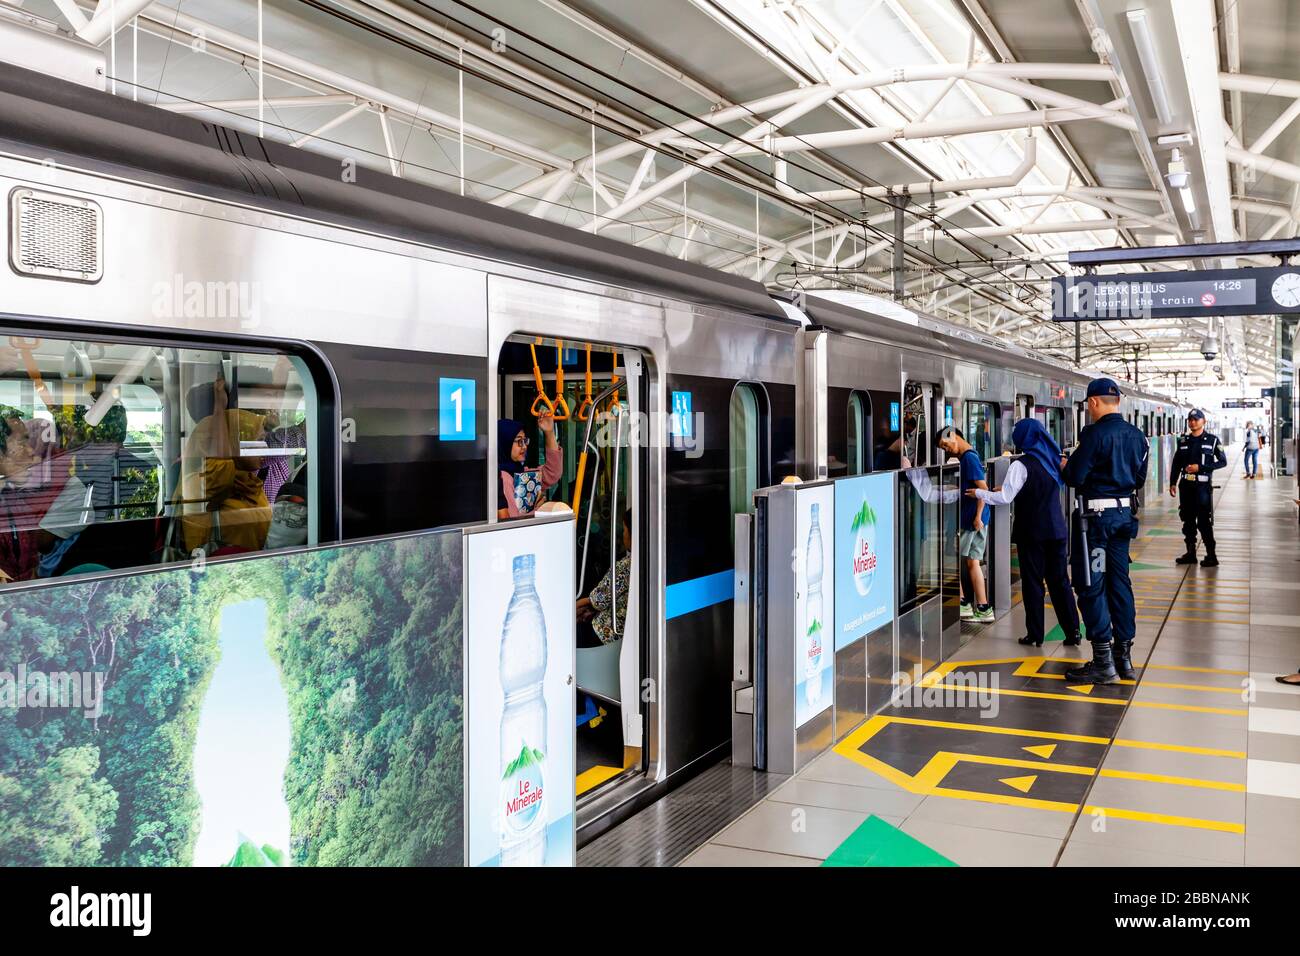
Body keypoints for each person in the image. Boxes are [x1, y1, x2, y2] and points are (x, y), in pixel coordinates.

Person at [1061, 378, 1149, 684]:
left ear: (1094, 402)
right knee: (1120, 583)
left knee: (1091, 583)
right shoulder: (1138, 437)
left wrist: (1066, 464)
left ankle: (1102, 660)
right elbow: (1139, 478)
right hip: (1124, 518)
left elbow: (1073, 476)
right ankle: (1123, 659)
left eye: (1088, 405)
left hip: (1096, 523)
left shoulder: (1095, 435)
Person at [967, 418, 1081, 647]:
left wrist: (979, 494)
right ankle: (1073, 632)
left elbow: (1005, 498)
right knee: (1060, 582)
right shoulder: (1054, 460)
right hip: (1057, 530)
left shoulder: (1020, 465)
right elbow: (1037, 488)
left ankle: (1035, 635)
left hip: (1031, 533)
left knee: (1033, 583)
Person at [179, 377, 273, 554]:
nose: (265, 449)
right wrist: (219, 409)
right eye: (258, 440)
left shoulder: (250, 484)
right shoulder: (199, 483)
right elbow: (220, 469)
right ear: (232, 441)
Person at [936, 426, 992, 623]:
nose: (946, 450)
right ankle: (983, 607)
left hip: (972, 520)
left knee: (958, 563)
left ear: (954, 436)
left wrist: (977, 516)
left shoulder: (968, 458)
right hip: (978, 519)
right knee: (972, 562)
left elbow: (983, 489)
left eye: (945, 445)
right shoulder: (969, 457)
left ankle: (963, 603)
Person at [1168, 409, 1227, 567]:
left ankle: (1211, 555)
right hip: (1186, 487)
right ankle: (1190, 553)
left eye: (1196, 419)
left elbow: (1222, 462)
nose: (1192, 422)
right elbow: (1176, 463)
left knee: (1203, 522)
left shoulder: (1212, 440)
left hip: (1202, 488)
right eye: (1190, 419)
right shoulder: (1183, 441)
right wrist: (1173, 482)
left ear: (1203, 421)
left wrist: (1200, 467)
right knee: (1187, 520)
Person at [577, 508, 632, 644]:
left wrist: (575, 607)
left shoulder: (627, 565)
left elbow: (600, 598)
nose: (623, 535)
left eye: (625, 531)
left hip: (606, 633)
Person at [498, 413, 562, 519]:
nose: (524, 446)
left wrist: (549, 433)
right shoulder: (503, 477)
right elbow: (512, 522)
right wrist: (538, 510)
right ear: (505, 443)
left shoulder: (521, 472)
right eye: (519, 441)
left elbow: (553, 473)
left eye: (525, 441)